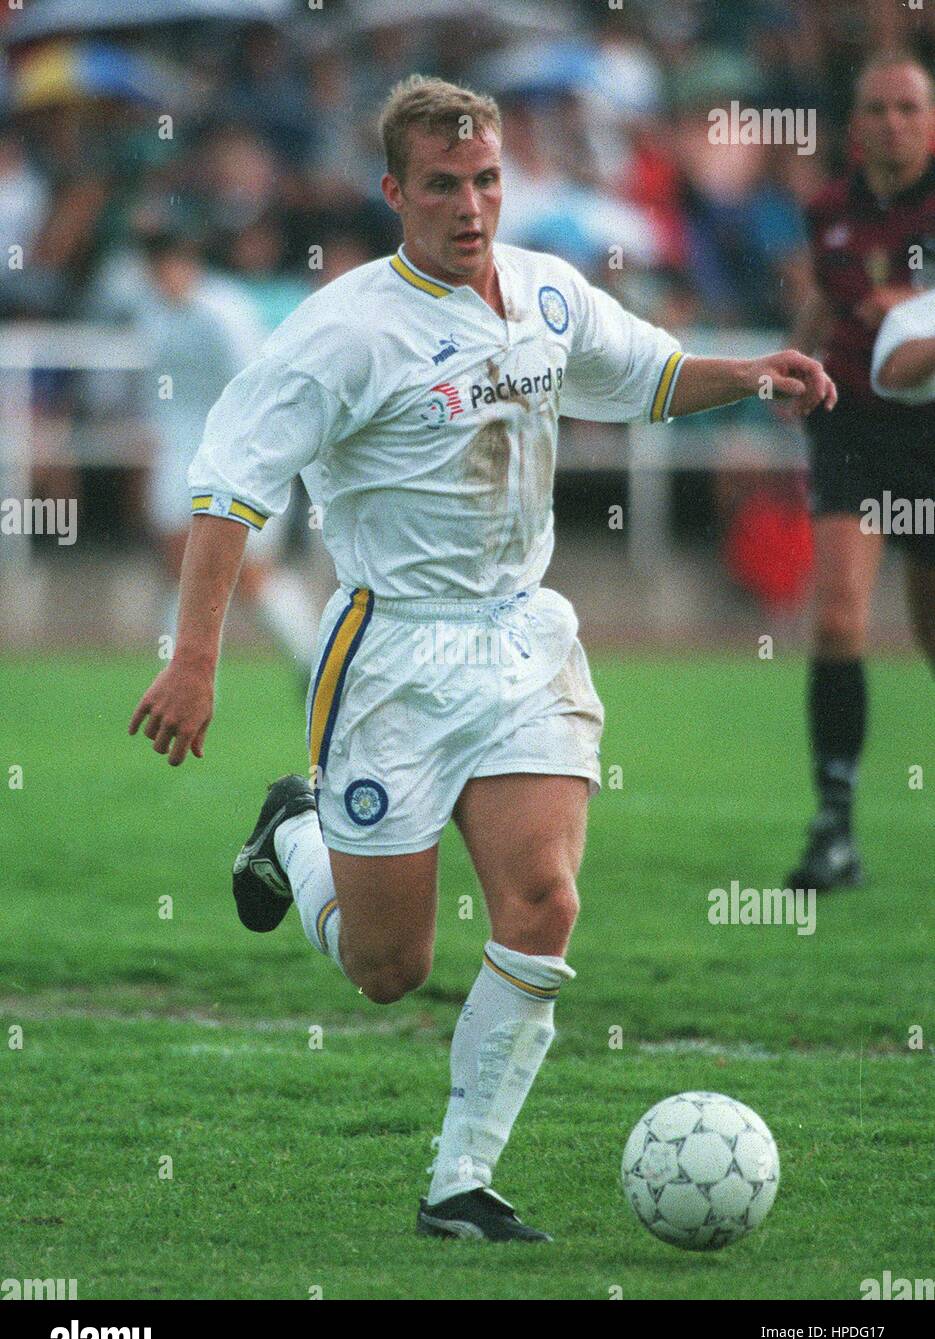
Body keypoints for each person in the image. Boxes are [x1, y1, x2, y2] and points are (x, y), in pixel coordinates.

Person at [129, 76, 834, 1242]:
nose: (470, 205)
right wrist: (194, 659)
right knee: (387, 968)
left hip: (520, 638)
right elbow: (228, 486)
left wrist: (751, 372)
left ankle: (459, 1181)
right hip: (392, 654)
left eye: (487, 179)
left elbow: (647, 376)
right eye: (443, 185)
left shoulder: (548, 292)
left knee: (543, 900)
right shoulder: (345, 331)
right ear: (394, 191)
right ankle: (292, 831)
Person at [784, 52, 935, 892]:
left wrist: (912, 316)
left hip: (930, 432)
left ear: (931, 121)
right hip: (851, 428)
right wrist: (794, 358)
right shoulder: (828, 210)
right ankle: (832, 827)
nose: (892, 123)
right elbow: (824, 296)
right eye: (876, 108)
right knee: (838, 617)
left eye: (907, 108)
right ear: (853, 125)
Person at [137, 229, 318, 673]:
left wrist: (264, 457)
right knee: (178, 563)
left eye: (168, 265)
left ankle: (311, 658)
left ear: (188, 263)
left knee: (249, 573)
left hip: (236, 456)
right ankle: (177, 672)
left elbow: (258, 383)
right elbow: (154, 388)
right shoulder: (153, 315)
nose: (163, 277)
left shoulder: (225, 312)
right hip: (177, 454)